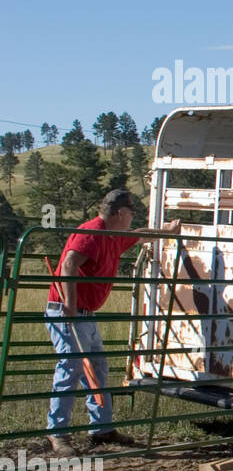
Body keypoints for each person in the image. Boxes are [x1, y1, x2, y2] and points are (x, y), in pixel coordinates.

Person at [46, 190, 180, 456]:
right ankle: (57, 433)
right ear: (120, 213)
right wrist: (71, 305)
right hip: (69, 312)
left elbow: (141, 234)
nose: (132, 218)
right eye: (130, 213)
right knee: (71, 368)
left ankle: (102, 428)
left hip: (85, 314)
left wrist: (167, 232)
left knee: (97, 367)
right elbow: (70, 263)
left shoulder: (113, 235)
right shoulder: (93, 232)